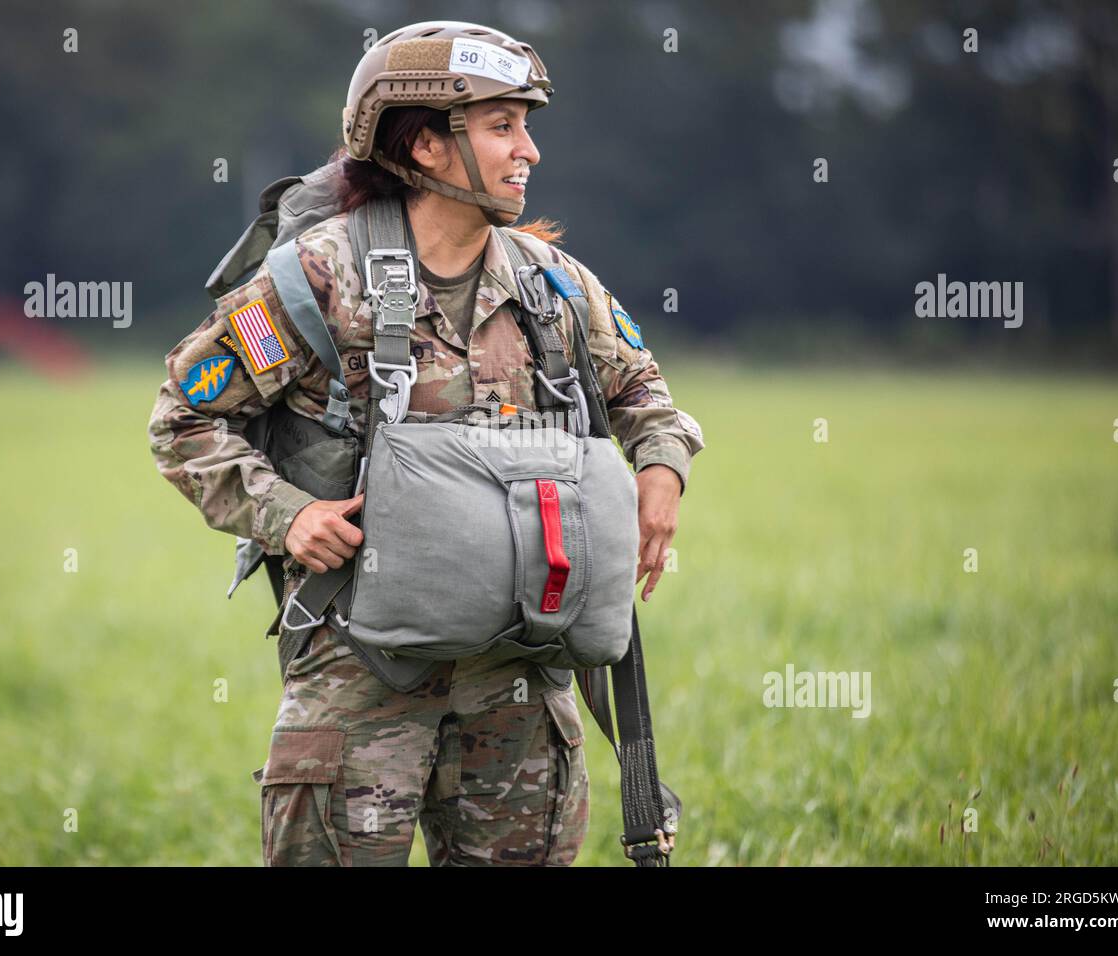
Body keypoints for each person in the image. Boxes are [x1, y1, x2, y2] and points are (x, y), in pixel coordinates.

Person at [147, 20, 704, 866]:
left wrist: (662, 468)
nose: (531, 151)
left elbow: (644, 394)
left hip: (522, 678)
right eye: (502, 126)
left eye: (527, 124)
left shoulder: (552, 283)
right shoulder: (317, 279)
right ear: (427, 147)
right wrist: (288, 515)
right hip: (360, 677)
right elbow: (182, 419)